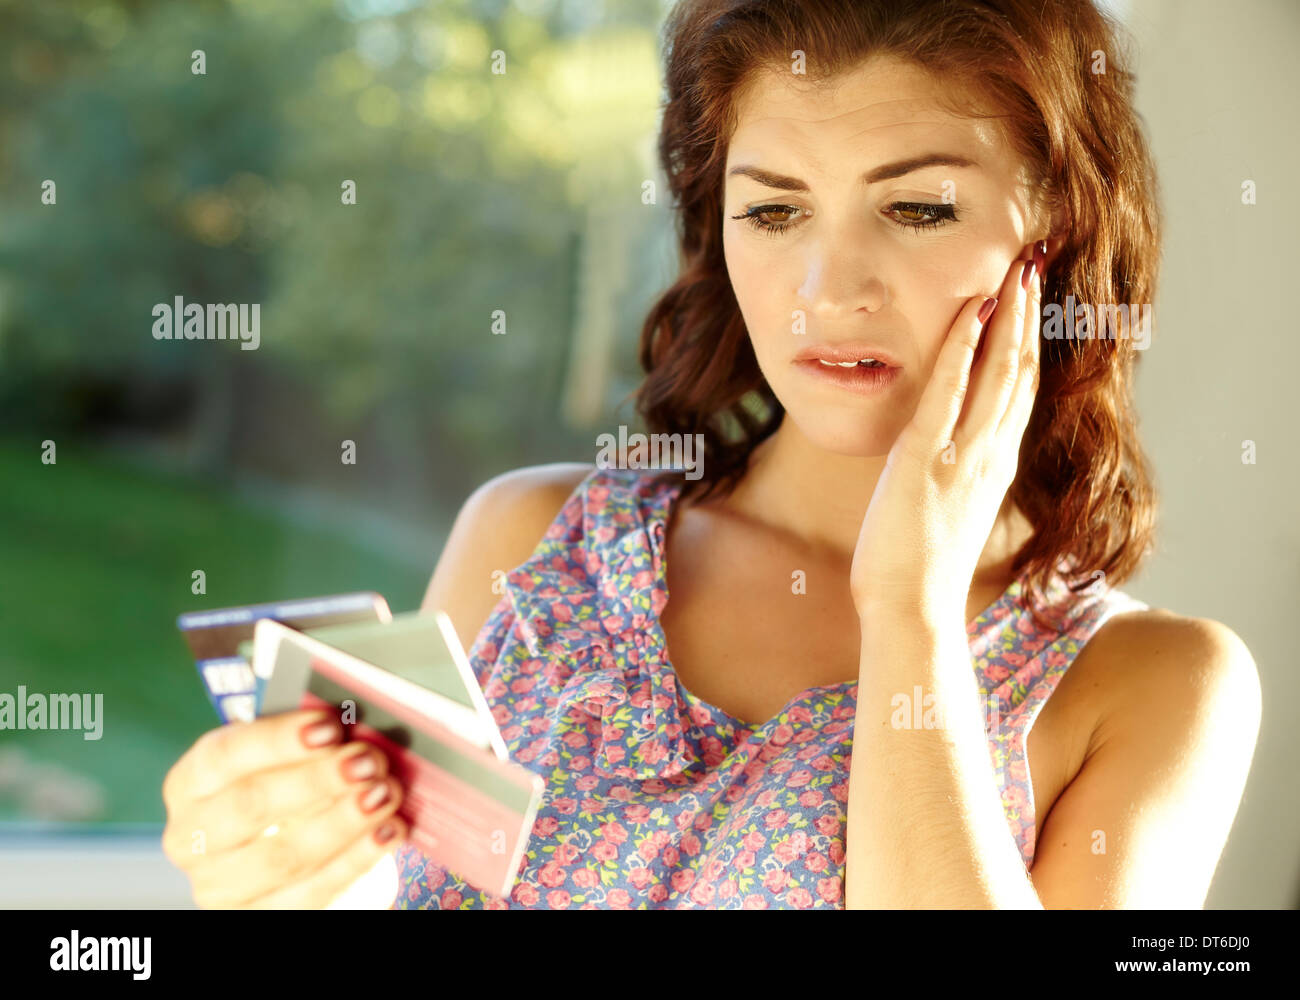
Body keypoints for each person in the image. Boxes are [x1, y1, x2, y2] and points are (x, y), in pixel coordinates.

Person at [161, 0, 1261, 909]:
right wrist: (284, 880)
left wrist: (911, 608)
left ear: (1052, 237)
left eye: (917, 207)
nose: (830, 290)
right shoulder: (533, 544)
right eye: (774, 213)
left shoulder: (1159, 688)